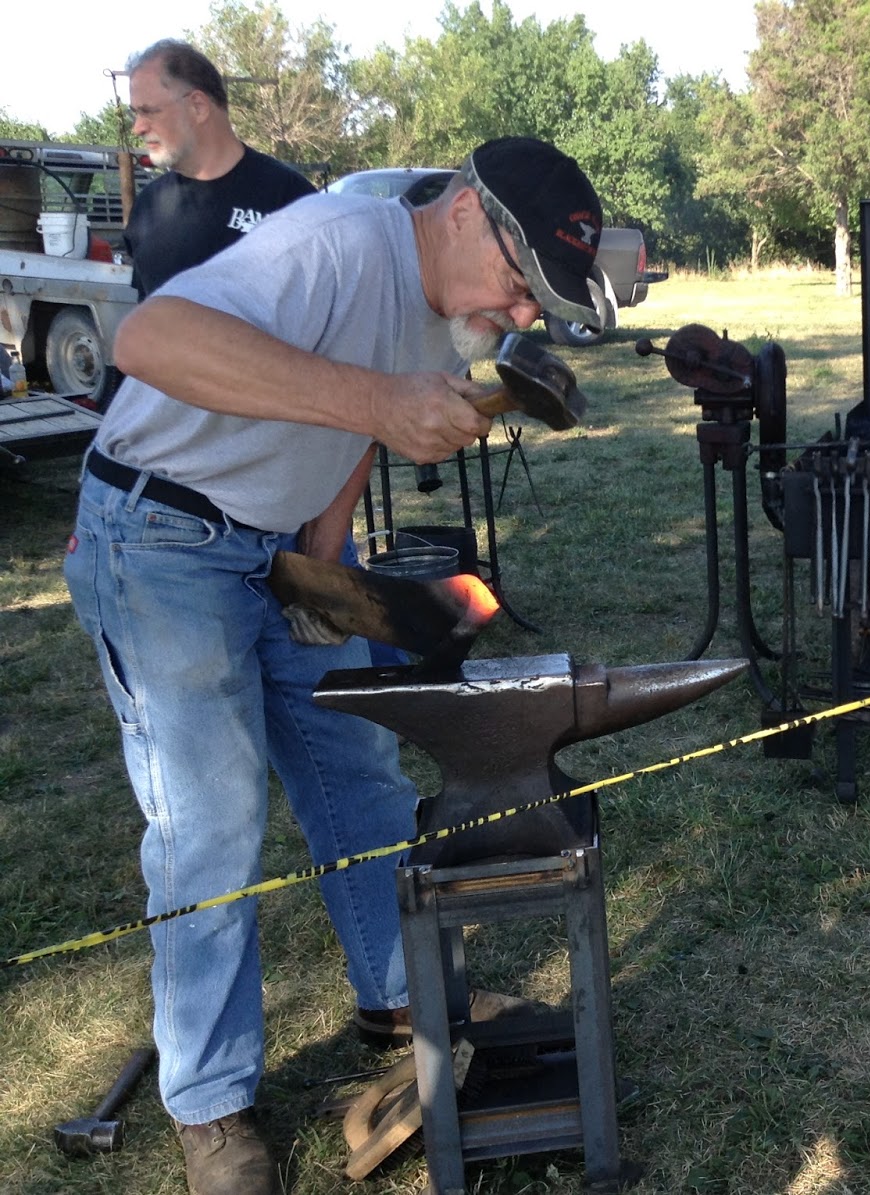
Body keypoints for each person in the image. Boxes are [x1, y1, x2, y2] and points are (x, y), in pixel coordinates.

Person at [64, 136, 608, 1195]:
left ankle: (402, 994)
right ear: (461, 213)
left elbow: (354, 430)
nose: (525, 312)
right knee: (209, 819)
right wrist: (375, 404)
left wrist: (323, 557)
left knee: (359, 769)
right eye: (521, 281)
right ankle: (211, 1102)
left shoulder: (447, 308)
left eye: (541, 300)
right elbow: (148, 335)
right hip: (158, 533)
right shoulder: (332, 244)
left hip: (275, 543)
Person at [122, 39, 316, 300]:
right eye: (135, 113)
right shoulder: (147, 209)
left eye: (148, 112)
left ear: (198, 106)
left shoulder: (291, 199)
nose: (138, 128)